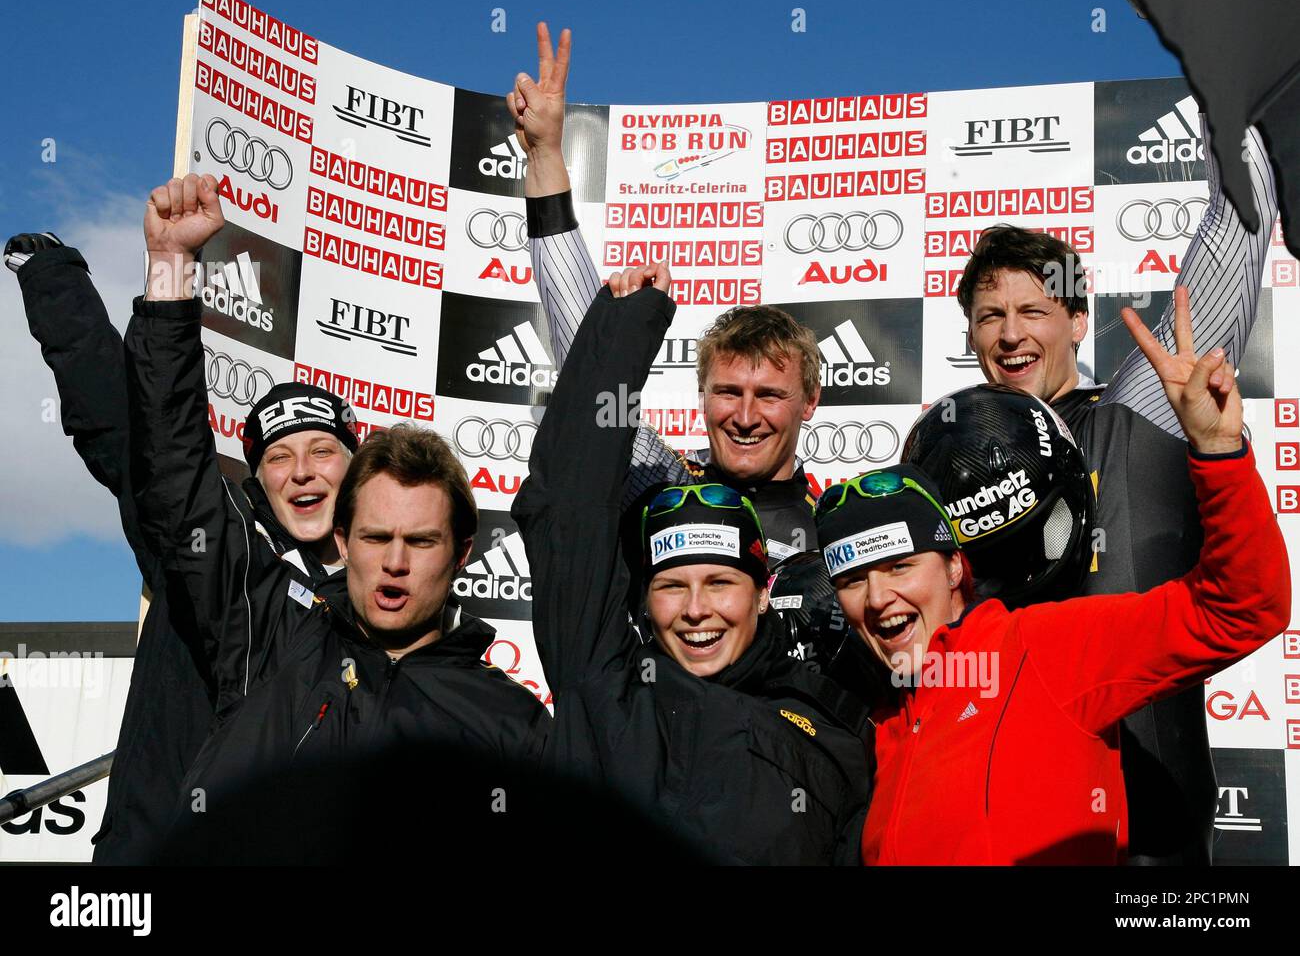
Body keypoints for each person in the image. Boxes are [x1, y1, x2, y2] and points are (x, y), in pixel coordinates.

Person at [125, 174, 549, 859]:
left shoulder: (514, 724)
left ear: (464, 550)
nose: (395, 561)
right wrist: (172, 269)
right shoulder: (272, 632)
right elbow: (175, 473)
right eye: (377, 536)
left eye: (420, 539)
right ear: (345, 539)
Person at [815, 289, 1290, 864]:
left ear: (954, 564)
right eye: (851, 579)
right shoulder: (882, 720)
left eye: (899, 566)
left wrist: (1217, 451)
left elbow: (1241, 609)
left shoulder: (1044, 649)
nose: (877, 598)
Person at [953, 122, 1279, 864]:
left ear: (1076, 320)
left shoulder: (1137, 407)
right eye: (989, 316)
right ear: (969, 335)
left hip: (1145, 832)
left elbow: (1239, 224)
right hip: (1002, 823)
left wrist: (1217, 61)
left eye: (1033, 311)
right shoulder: (945, 458)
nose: (1010, 334)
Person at [6, 193, 362, 860]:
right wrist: (60, 282)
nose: (303, 471)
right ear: (257, 479)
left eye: (323, 451)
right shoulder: (204, 538)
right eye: (279, 457)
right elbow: (123, 417)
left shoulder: (390, 597)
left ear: (358, 470)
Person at [512, 262, 873, 865]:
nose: (697, 608)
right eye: (673, 584)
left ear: (765, 591)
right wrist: (625, 319)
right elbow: (575, 486)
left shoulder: (835, 732)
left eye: (721, 582)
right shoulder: (609, 684)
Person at [508, 25, 822, 565]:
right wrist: (544, 157)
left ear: (810, 402)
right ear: (700, 396)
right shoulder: (669, 486)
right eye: (727, 391)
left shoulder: (842, 521)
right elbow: (592, 362)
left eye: (769, 394)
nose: (745, 416)